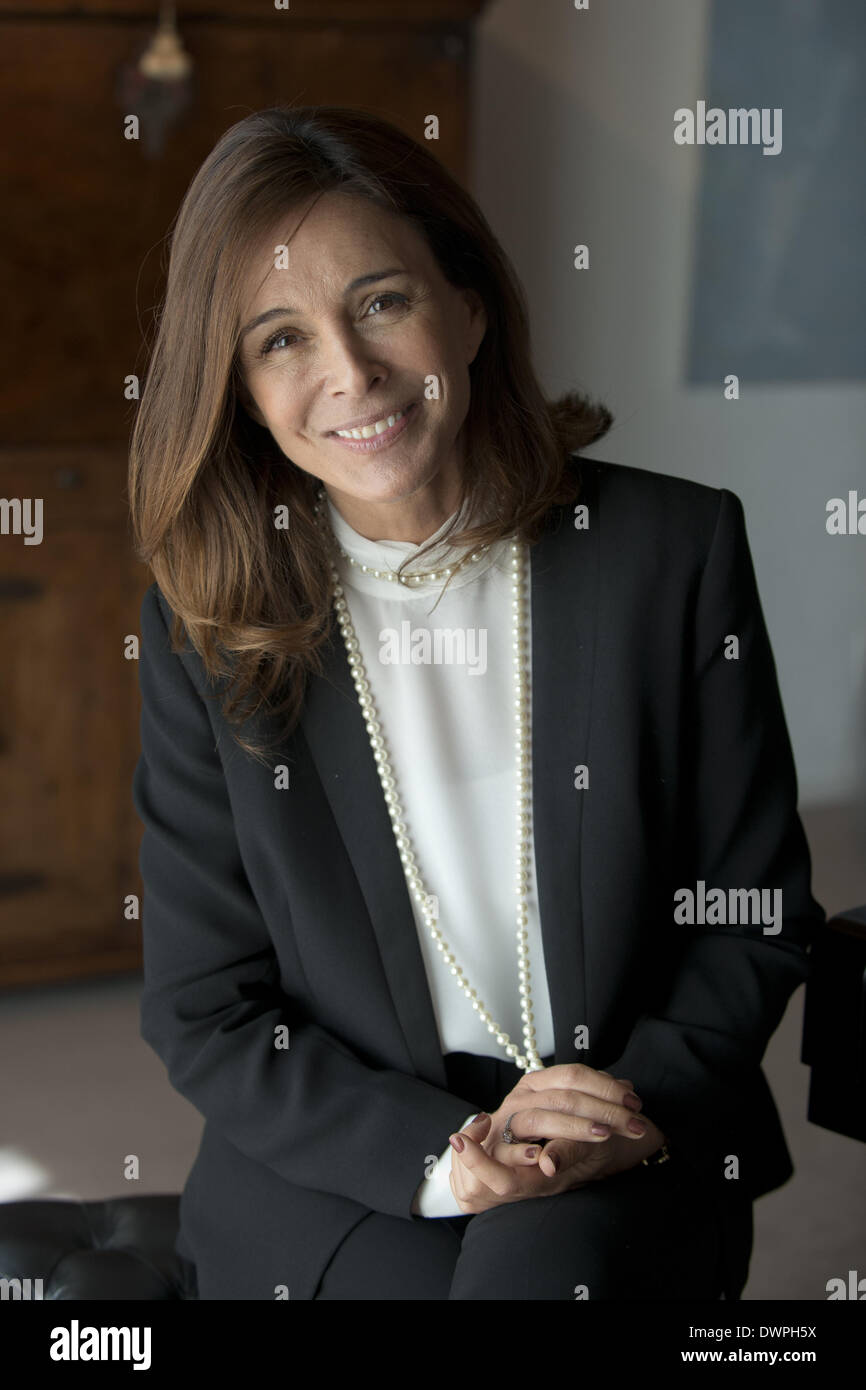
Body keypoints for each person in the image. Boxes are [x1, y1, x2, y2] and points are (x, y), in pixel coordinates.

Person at [128, 105, 825, 1301]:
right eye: (280, 339)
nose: (350, 375)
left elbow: (749, 904)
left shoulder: (668, 550)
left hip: (624, 1122)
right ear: (237, 388)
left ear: (470, 305)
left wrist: (618, 1114)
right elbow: (206, 1005)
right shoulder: (206, 617)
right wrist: (443, 1167)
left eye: (383, 302)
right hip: (341, 1156)